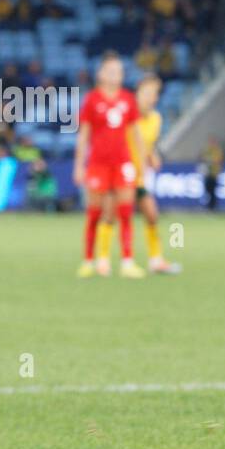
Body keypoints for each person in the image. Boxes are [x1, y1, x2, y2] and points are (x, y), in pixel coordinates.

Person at [95, 74, 180, 274]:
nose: (153, 98)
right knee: (110, 215)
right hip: (120, 174)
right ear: (138, 94)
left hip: (139, 176)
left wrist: (153, 156)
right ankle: (103, 260)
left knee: (151, 214)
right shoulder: (124, 115)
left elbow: (147, 145)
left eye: (156, 94)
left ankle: (156, 260)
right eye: (149, 93)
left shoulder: (156, 119)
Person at [75, 53, 145, 279]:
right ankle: (89, 261)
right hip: (98, 164)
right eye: (112, 71)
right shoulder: (92, 100)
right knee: (95, 213)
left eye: (120, 71)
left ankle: (127, 261)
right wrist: (79, 165)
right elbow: (83, 136)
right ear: (101, 74)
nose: (117, 75)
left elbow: (136, 135)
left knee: (125, 211)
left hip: (122, 163)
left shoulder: (128, 99)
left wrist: (141, 163)